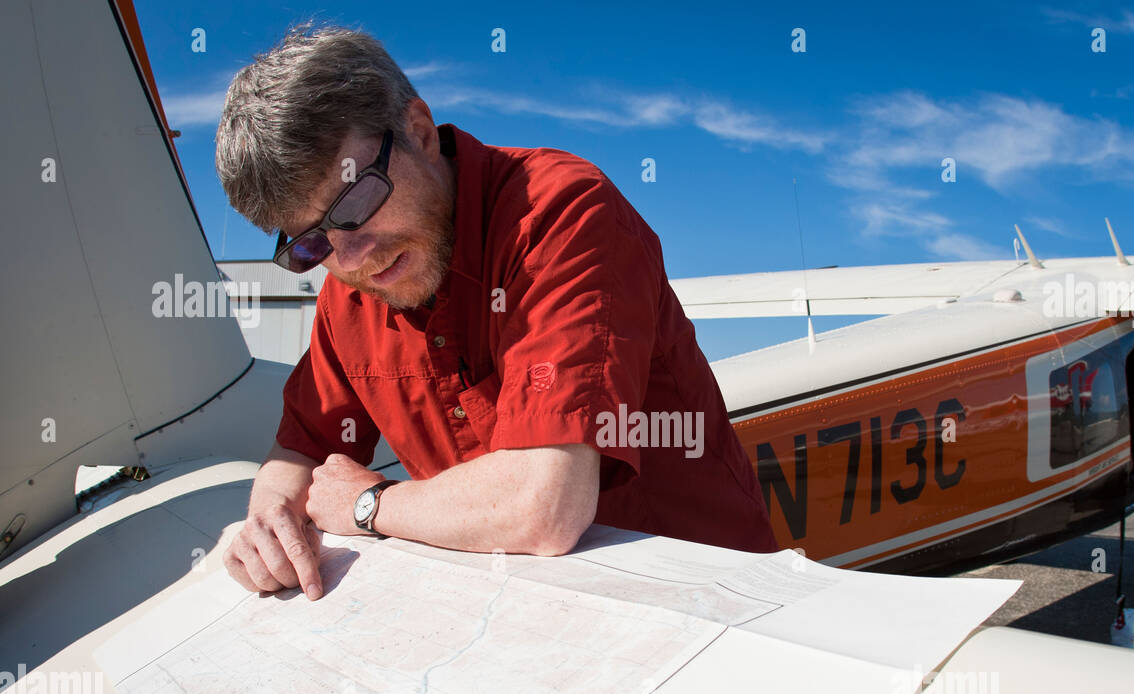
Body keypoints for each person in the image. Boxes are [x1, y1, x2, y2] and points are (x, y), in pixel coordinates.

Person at [215, 25, 777, 600]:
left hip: (713, 610)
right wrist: (270, 521)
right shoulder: (352, 291)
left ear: (418, 131)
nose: (353, 257)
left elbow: (544, 505)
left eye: (356, 201)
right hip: (523, 617)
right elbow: (304, 446)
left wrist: (368, 503)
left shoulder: (560, 214)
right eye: (312, 244)